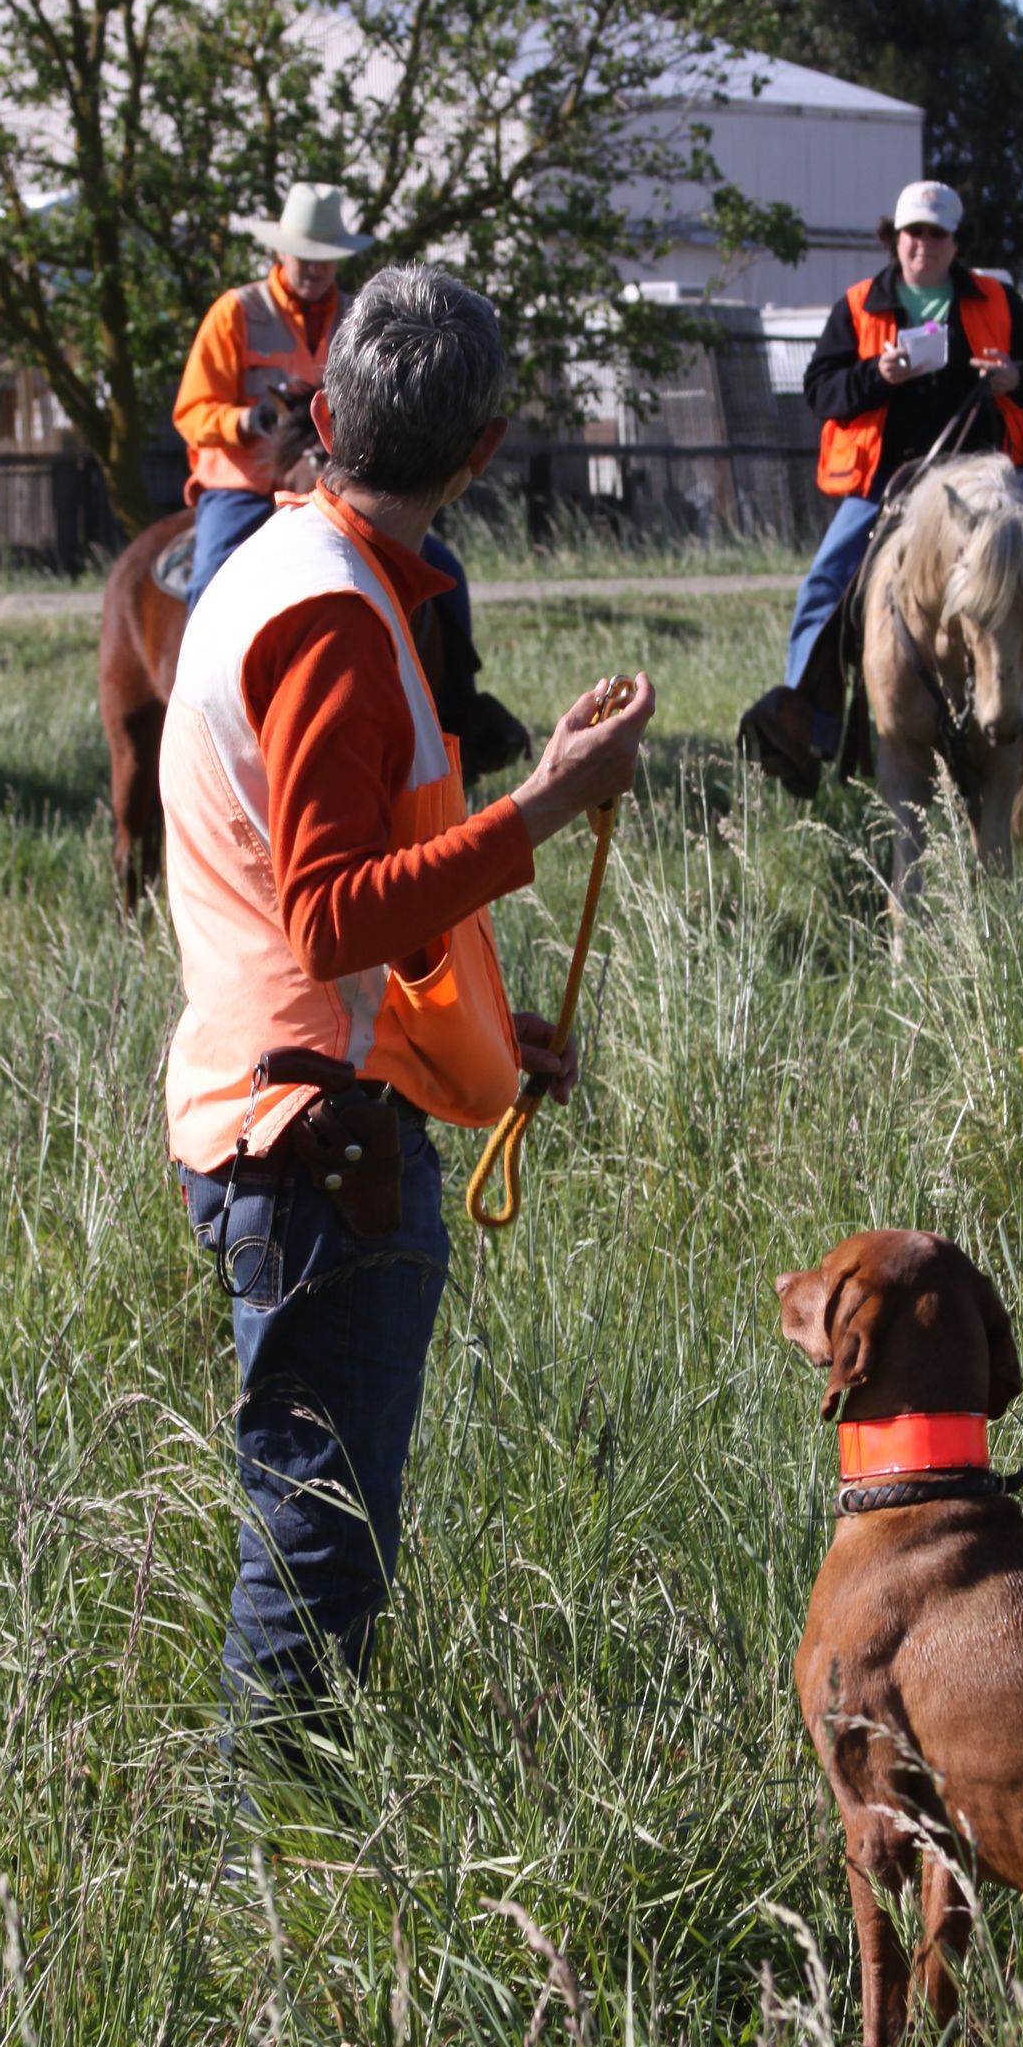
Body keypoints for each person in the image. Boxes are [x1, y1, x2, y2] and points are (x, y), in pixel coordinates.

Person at [162, 261, 654, 1788]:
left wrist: (490, 1036)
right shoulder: (334, 617)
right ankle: (273, 1862)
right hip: (313, 1149)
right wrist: (544, 806)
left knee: (320, 1526)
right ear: (486, 450)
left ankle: (280, 1836)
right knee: (320, 1543)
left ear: (322, 408)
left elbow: (371, 905)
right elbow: (331, 916)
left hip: (299, 1114)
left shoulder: (310, 569)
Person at [741, 180, 1023, 791]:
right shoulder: (858, 305)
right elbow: (820, 390)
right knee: (824, 582)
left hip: (992, 471)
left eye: (937, 234)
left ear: (956, 242)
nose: (924, 244)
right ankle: (805, 725)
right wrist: (876, 375)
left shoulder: (997, 298)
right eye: (914, 233)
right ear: (895, 238)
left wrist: (1015, 376)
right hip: (894, 478)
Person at [173, 179, 526, 769]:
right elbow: (190, 411)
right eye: (302, 254)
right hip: (244, 485)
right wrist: (246, 419)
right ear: (279, 251)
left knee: (444, 571)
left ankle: (456, 709)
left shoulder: (359, 315)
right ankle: (195, 708)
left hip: (333, 479)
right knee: (210, 573)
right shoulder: (236, 313)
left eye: (324, 257)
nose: (313, 268)